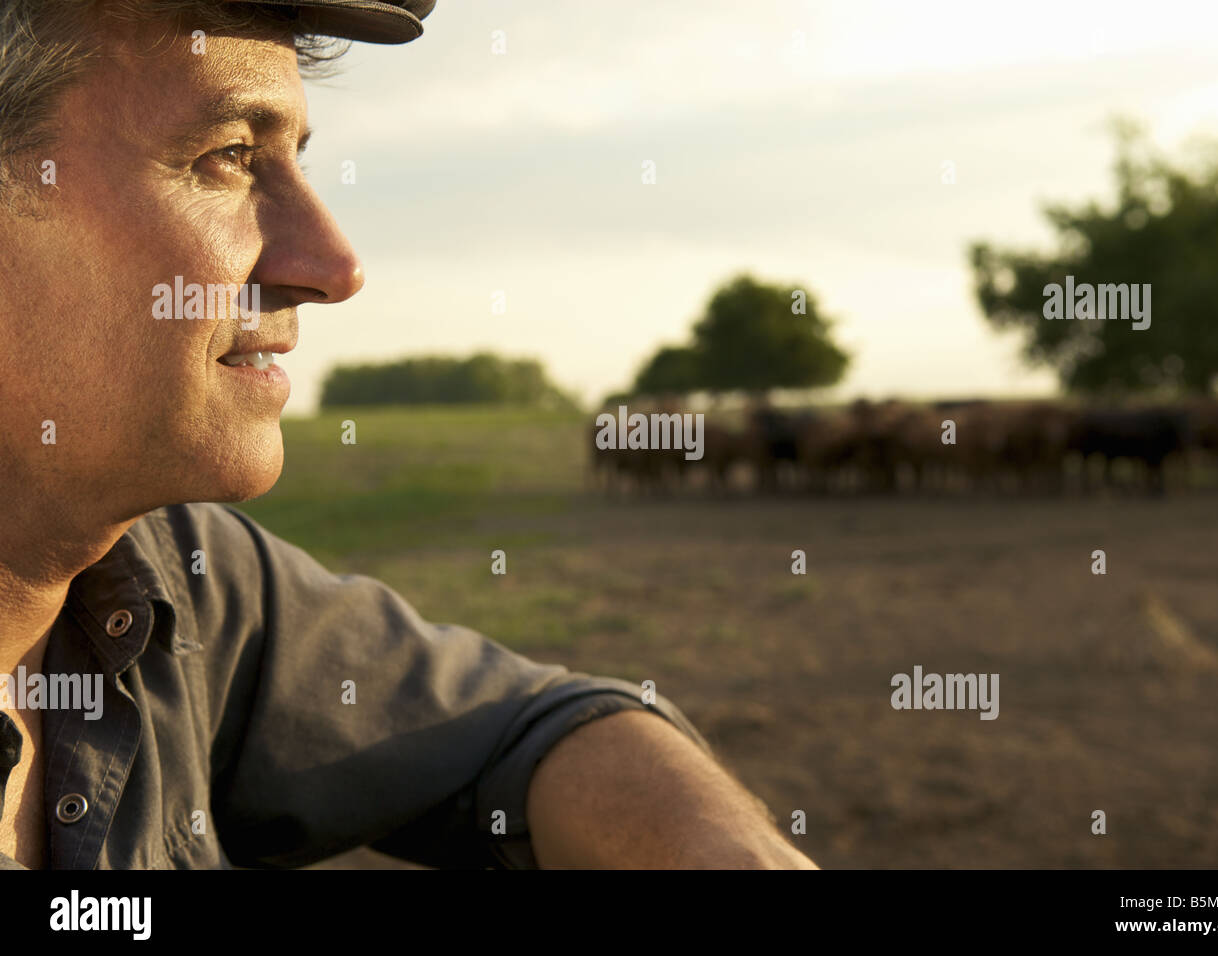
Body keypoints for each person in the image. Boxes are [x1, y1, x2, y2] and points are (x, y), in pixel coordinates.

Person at [0, 0, 818, 870]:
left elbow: (529, 732)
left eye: (294, 161)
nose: (333, 266)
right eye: (229, 157)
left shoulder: (180, 582)